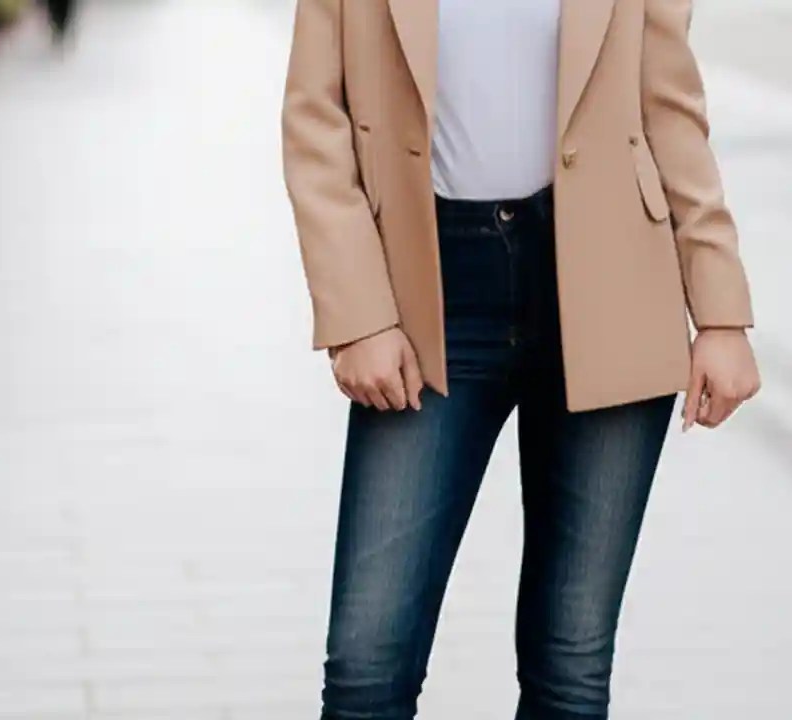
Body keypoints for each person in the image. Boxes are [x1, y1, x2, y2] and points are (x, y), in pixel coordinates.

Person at [281, 0, 761, 717]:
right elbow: (316, 122)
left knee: (569, 670)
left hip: (608, 286)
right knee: (365, 669)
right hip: (429, 300)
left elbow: (671, 109)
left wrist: (721, 313)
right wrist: (358, 318)